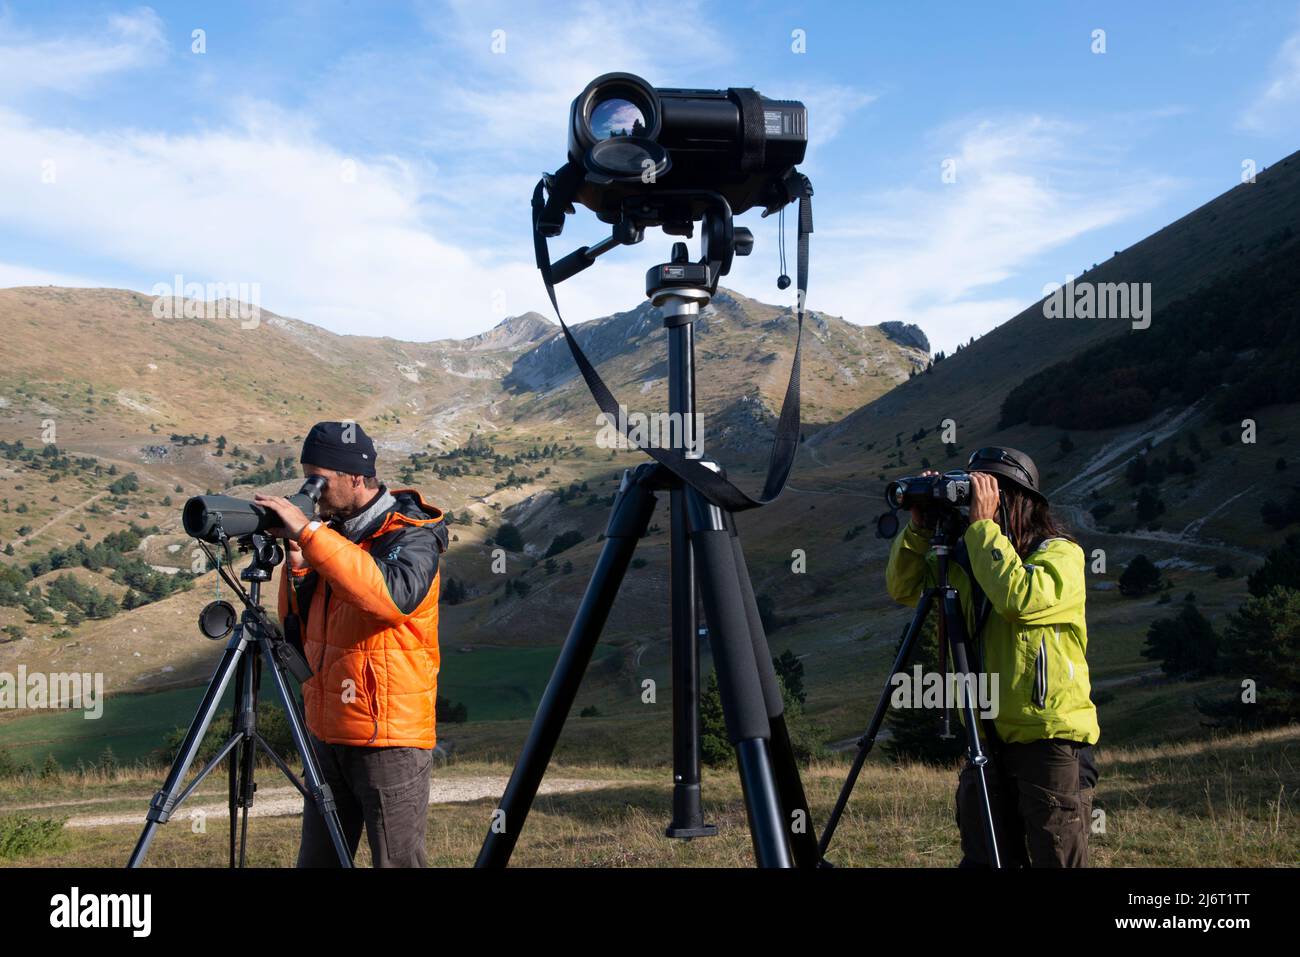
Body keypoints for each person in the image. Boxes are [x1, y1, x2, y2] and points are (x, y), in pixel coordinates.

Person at [884, 446, 1099, 867]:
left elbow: (1019, 598)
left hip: (1048, 739)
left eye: (984, 491)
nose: (976, 503)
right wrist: (920, 528)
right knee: (985, 857)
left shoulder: (1059, 554)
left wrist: (982, 529)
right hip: (986, 737)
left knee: (1053, 858)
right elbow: (903, 588)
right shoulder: (968, 561)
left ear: (1016, 498)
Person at [255, 421, 448, 867]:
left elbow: (390, 597)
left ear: (357, 478)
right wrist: (300, 564)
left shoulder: (411, 534)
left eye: (321, 478)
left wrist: (310, 535)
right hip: (327, 732)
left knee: (396, 864)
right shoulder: (332, 535)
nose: (312, 489)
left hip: (388, 740)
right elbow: (302, 633)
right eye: (307, 476)